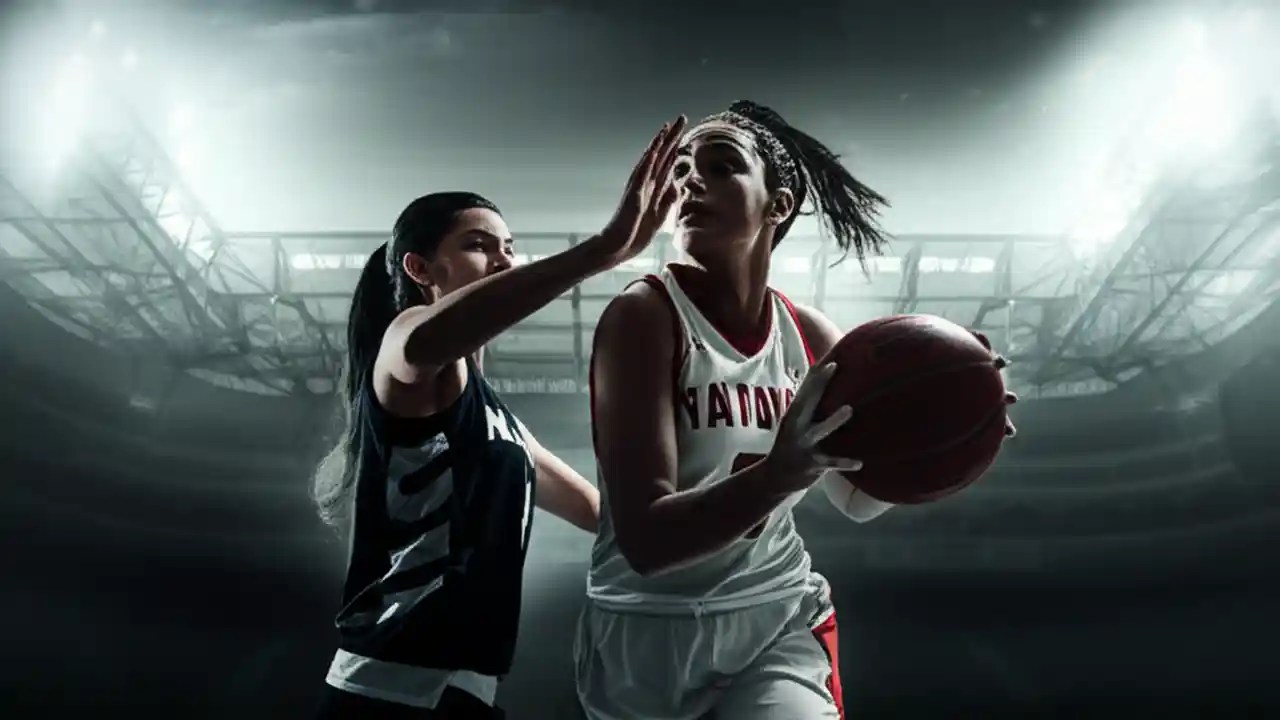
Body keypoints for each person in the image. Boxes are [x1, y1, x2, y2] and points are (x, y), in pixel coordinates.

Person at [576, 101, 1015, 719]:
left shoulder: (807, 334)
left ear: (777, 205)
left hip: (773, 621)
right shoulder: (644, 316)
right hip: (645, 630)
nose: (690, 181)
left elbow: (857, 500)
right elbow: (647, 542)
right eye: (680, 171)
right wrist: (779, 474)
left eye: (721, 165)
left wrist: (951, 422)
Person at [310, 114, 688, 719]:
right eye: (479, 244)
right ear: (419, 269)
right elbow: (430, 340)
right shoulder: (405, 343)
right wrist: (603, 250)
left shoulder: (501, 425)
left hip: (464, 691)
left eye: (509, 247)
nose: (504, 260)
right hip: (385, 686)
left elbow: (608, 516)